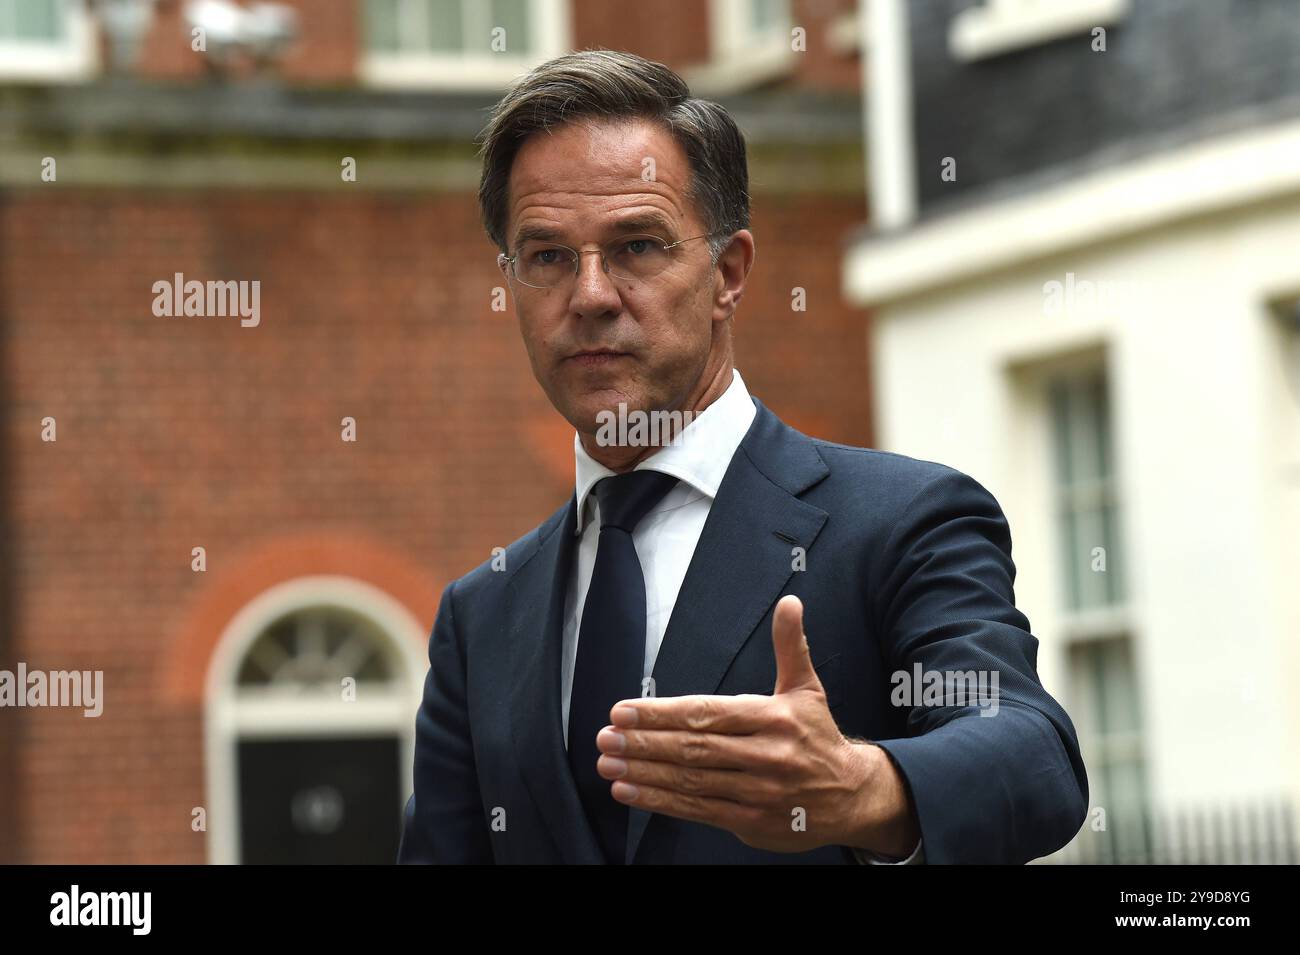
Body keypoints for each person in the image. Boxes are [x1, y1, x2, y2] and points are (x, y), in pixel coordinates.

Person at [397, 49, 1088, 864]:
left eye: (638, 246)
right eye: (547, 256)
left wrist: (859, 788)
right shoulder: (482, 615)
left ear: (729, 273)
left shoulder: (902, 523)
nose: (588, 296)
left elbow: (1033, 755)